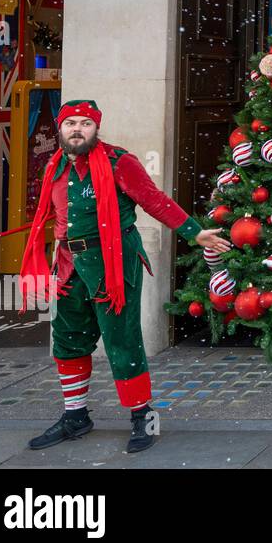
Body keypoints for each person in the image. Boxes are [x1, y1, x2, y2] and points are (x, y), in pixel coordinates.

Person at [18, 99, 228, 453]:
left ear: (96, 128)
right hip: (69, 265)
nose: (77, 130)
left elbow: (153, 199)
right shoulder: (53, 166)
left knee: (122, 340)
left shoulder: (119, 162)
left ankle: (142, 417)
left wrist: (194, 232)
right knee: (68, 340)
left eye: (85, 123)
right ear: (61, 128)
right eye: (71, 123)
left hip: (114, 263)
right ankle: (75, 416)